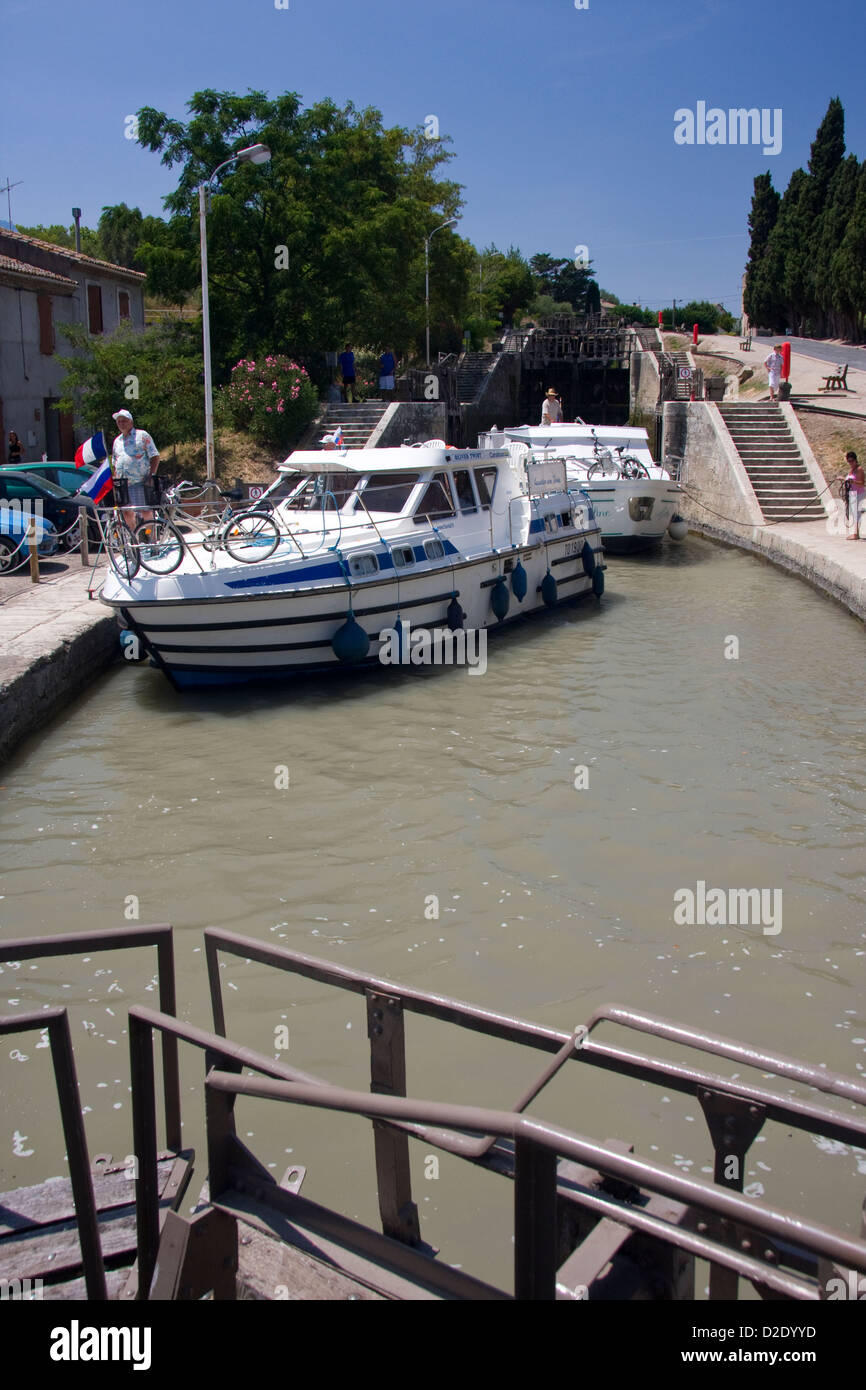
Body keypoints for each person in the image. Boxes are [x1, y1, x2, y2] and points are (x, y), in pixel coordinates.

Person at [110, 409, 160, 528]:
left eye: (124, 421)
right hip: (123, 484)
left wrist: (151, 475)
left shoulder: (142, 435)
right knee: (127, 513)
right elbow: (115, 461)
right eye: (119, 422)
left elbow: (155, 456)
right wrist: (114, 479)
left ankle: (152, 540)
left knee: (145, 511)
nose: (121, 424)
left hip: (140, 481)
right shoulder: (117, 441)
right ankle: (134, 541)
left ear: (131, 422)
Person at [837, 451, 866, 540]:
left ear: (855, 460)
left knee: (856, 513)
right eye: (849, 461)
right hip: (852, 494)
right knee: (854, 513)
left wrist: (853, 482)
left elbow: (862, 483)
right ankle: (855, 533)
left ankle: (856, 534)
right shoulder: (852, 470)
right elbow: (848, 479)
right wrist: (843, 479)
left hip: (859, 493)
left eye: (852, 461)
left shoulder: (859, 469)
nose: (850, 463)